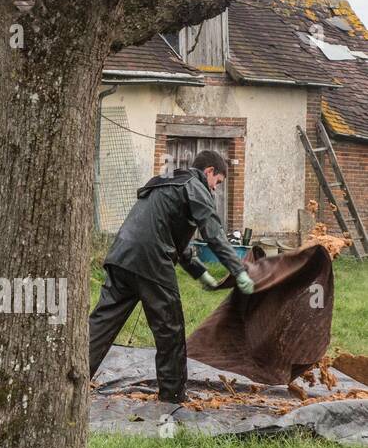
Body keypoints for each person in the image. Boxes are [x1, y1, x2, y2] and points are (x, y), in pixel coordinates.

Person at [89, 149, 255, 403]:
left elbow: (174, 238)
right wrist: (239, 270)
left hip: (121, 256)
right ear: (209, 172)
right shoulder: (195, 185)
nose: (215, 189)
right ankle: (173, 394)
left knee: (102, 323)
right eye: (217, 183)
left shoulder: (166, 183)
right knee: (170, 328)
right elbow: (213, 233)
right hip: (151, 261)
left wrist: (200, 273)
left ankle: (71, 378)